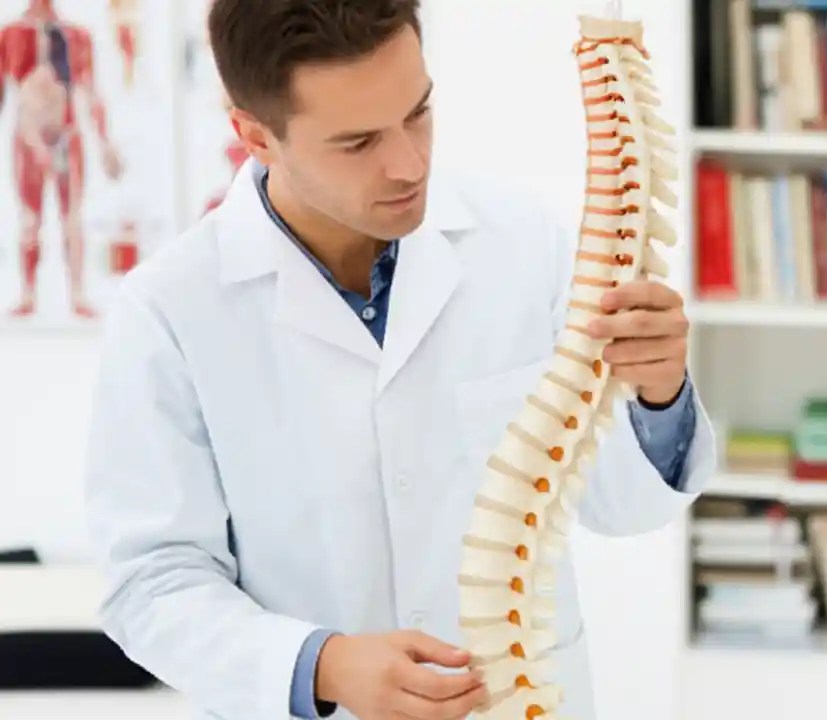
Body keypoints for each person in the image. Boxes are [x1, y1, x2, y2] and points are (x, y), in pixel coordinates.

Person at [80, 2, 716, 720]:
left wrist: (658, 398)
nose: (408, 164)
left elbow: (619, 508)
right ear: (254, 136)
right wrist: (320, 664)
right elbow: (151, 583)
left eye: (419, 113)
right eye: (357, 143)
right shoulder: (170, 311)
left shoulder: (524, 245)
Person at [0, 0, 123, 318]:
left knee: (72, 218)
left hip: (67, 134)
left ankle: (77, 292)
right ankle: (28, 292)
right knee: (30, 218)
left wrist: (105, 142)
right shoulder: (12, 33)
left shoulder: (76, 35)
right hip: (28, 137)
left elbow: (90, 92)